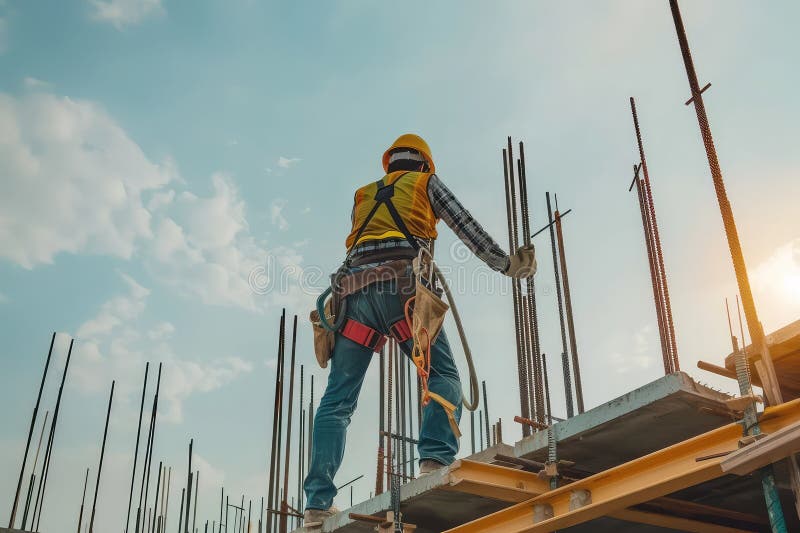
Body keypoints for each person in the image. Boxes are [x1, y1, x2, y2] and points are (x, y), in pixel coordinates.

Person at [303, 134, 536, 526]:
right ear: (425, 164)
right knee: (443, 375)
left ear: (389, 164)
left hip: (353, 297)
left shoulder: (363, 195)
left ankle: (316, 504)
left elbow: (366, 246)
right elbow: (467, 227)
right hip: (402, 293)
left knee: (338, 400)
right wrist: (508, 264)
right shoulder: (426, 183)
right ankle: (433, 461)